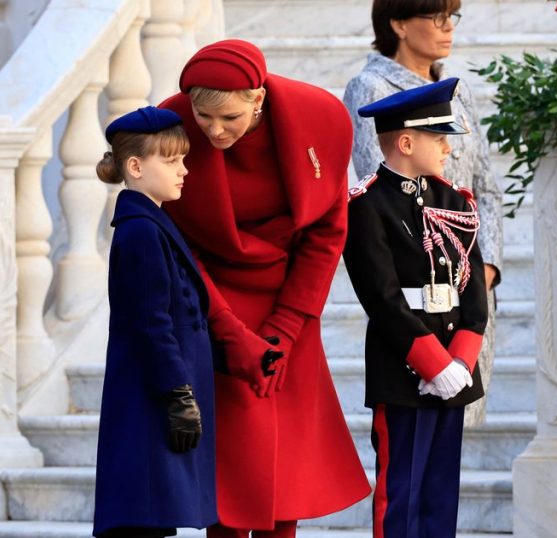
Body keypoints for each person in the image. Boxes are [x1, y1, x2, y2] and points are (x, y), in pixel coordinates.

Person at [159, 40, 370, 537]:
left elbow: (326, 232)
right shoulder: (170, 125)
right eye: (202, 115)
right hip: (213, 309)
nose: (212, 129)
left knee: (286, 468)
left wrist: (287, 327)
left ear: (257, 100)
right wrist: (230, 334)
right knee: (229, 467)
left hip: (288, 304)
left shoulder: (319, 116)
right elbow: (178, 243)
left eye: (227, 117)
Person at [343, 0, 502, 426]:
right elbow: (381, 185)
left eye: (452, 16)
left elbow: (484, 185)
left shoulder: (457, 89)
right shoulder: (371, 86)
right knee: (418, 434)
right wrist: (443, 266)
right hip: (419, 279)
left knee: (452, 430)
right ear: (398, 24)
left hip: (467, 275)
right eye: (436, 17)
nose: (448, 27)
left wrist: (484, 266)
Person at [343, 78, 488, 538]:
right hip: (404, 368)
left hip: (454, 370)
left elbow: (474, 293)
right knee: (400, 493)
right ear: (405, 142)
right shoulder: (368, 206)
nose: (447, 148)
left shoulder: (453, 201)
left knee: (440, 493)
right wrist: (432, 363)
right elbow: (381, 298)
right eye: (438, 137)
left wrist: (460, 362)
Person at [92, 107, 219, 538]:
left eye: (182, 159)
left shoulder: (152, 222)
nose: (184, 170)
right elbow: (151, 323)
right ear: (135, 166)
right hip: (152, 401)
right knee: (142, 521)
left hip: (158, 396)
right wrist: (178, 396)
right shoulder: (140, 231)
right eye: (171, 160)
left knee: (152, 522)